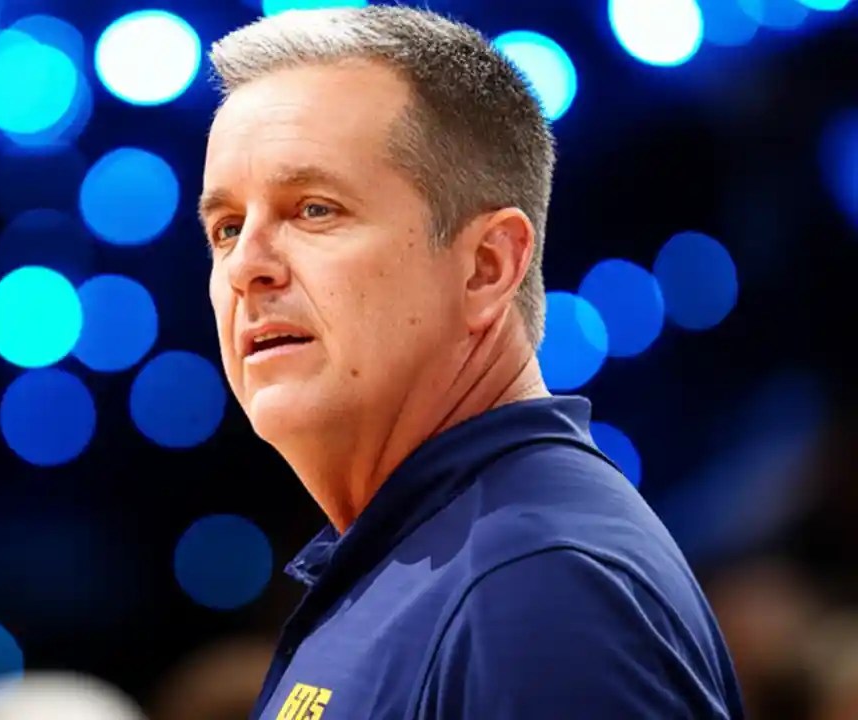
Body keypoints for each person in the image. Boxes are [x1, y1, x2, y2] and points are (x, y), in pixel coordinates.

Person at [198, 5, 745, 719]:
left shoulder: (538, 592)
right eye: (228, 227)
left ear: (487, 267)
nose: (246, 267)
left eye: (314, 210)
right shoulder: (442, 569)